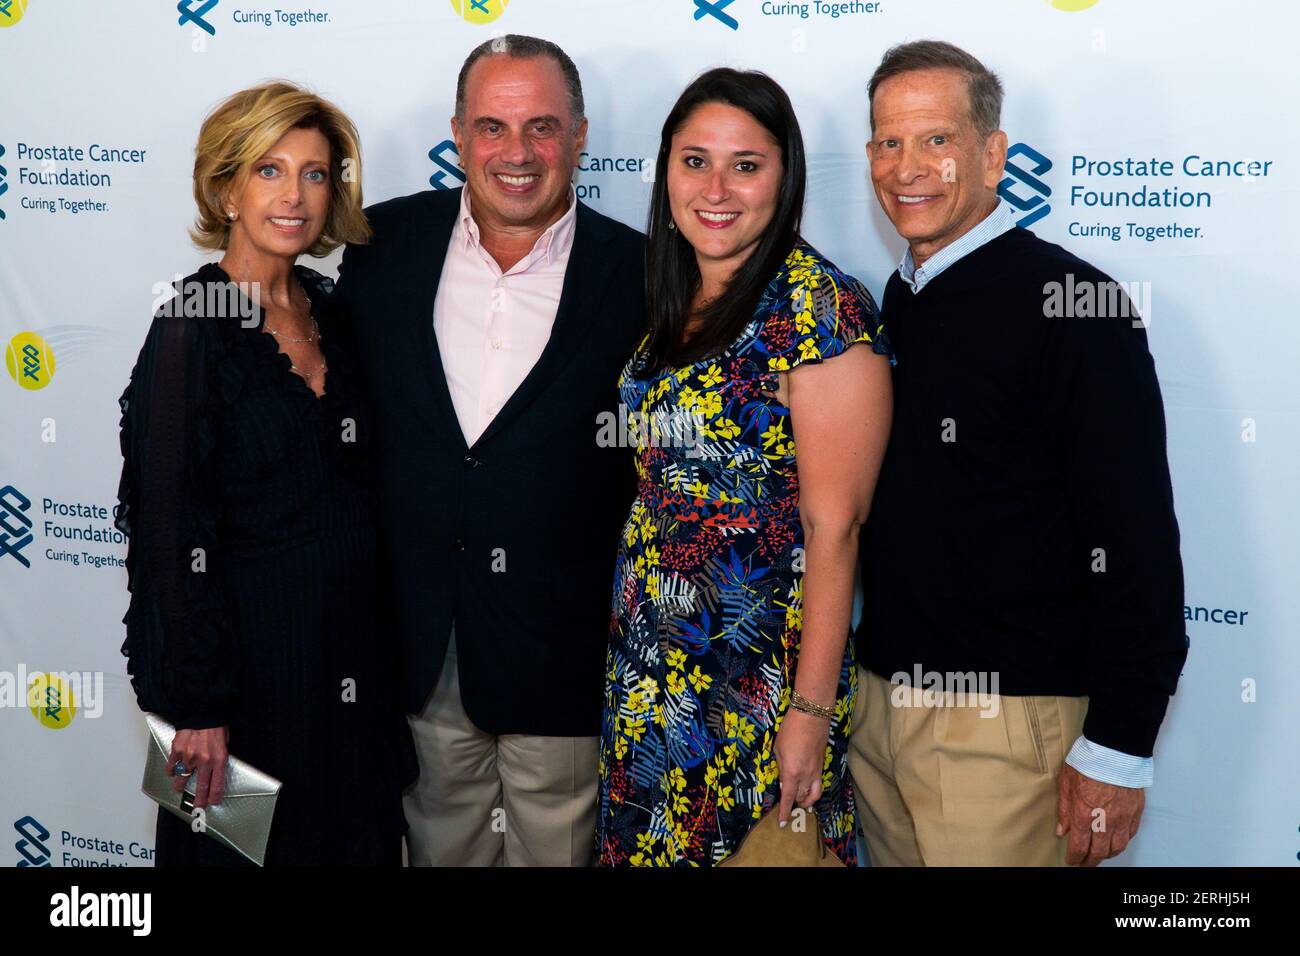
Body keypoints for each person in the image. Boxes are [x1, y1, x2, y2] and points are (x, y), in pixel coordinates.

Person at [853, 40, 1187, 866]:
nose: (909, 168)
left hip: (1008, 732)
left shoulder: (1077, 307)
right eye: (890, 142)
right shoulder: (893, 300)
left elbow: (1136, 540)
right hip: (879, 713)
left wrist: (1117, 749)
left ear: (994, 153)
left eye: (936, 139)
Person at [334, 36, 645, 866]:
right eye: (493, 127)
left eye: (542, 127)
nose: (517, 153)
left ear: (580, 134)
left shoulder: (648, 271)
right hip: (420, 653)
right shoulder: (382, 245)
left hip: (568, 658)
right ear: (458, 134)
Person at [596, 68, 894, 867]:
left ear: (785, 175)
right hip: (652, 683)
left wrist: (806, 714)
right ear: (665, 172)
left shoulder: (821, 310)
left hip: (752, 695)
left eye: (746, 164)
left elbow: (836, 531)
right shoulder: (674, 298)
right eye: (695, 161)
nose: (716, 187)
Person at [115, 81, 416, 866]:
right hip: (244, 688)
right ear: (226, 188)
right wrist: (195, 708)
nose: (296, 195)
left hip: (352, 677)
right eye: (269, 170)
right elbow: (168, 532)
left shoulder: (335, 310)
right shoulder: (190, 331)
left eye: (316, 174)